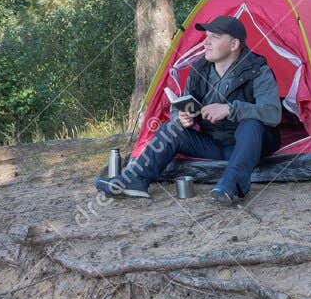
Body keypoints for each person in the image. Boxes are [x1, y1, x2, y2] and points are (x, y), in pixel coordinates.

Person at [95, 14, 282, 205]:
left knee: (251, 125)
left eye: (214, 37)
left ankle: (229, 187)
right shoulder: (199, 70)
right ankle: (136, 179)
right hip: (215, 143)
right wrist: (182, 117)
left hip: (250, 145)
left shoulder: (258, 70)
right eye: (206, 36)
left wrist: (230, 109)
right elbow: (185, 104)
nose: (205, 43)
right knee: (171, 128)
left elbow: (272, 113)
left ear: (234, 44)